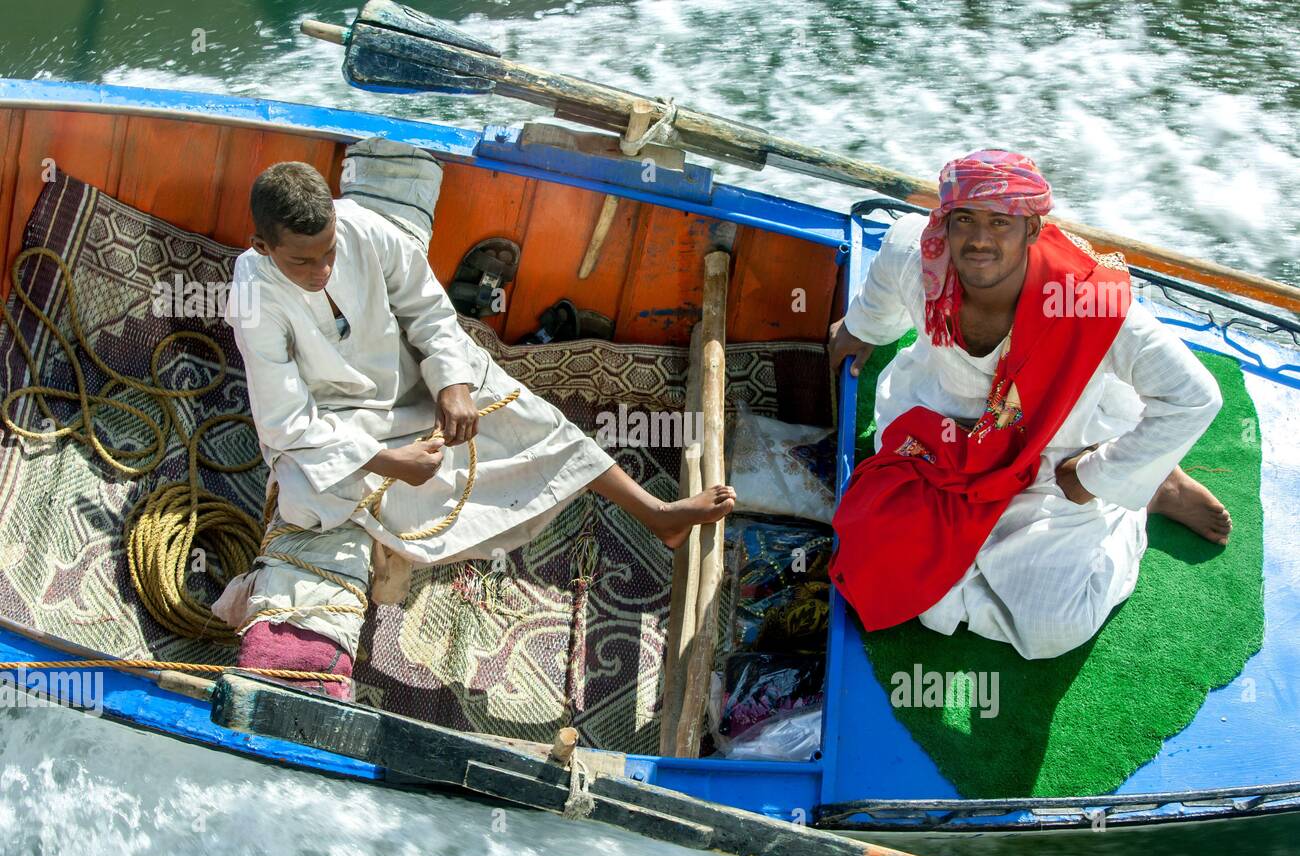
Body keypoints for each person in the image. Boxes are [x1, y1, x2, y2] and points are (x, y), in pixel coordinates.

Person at [218, 161, 734, 698]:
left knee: (531, 421)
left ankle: (658, 515)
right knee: (313, 500)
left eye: (327, 253)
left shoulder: (362, 227)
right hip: (339, 425)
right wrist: (386, 461)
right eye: (303, 261)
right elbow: (286, 421)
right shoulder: (252, 298)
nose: (322, 269)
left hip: (414, 378)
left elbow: (428, 311)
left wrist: (451, 385)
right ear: (261, 246)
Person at [827, 149, 1230, 660]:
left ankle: (1145, 489)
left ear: (1033, 229)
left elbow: (1194, 397)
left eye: (1000, 223)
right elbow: (886, 280)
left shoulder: (1090, 301)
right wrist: (862, 326)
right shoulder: (917, 253)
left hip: (1057, 454)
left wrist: (1099, 476)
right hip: (940, 437)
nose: (978, 240)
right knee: (876, 567)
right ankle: (1141, 482)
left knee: (1051, 626)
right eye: (964, 220)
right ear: (943, 223)